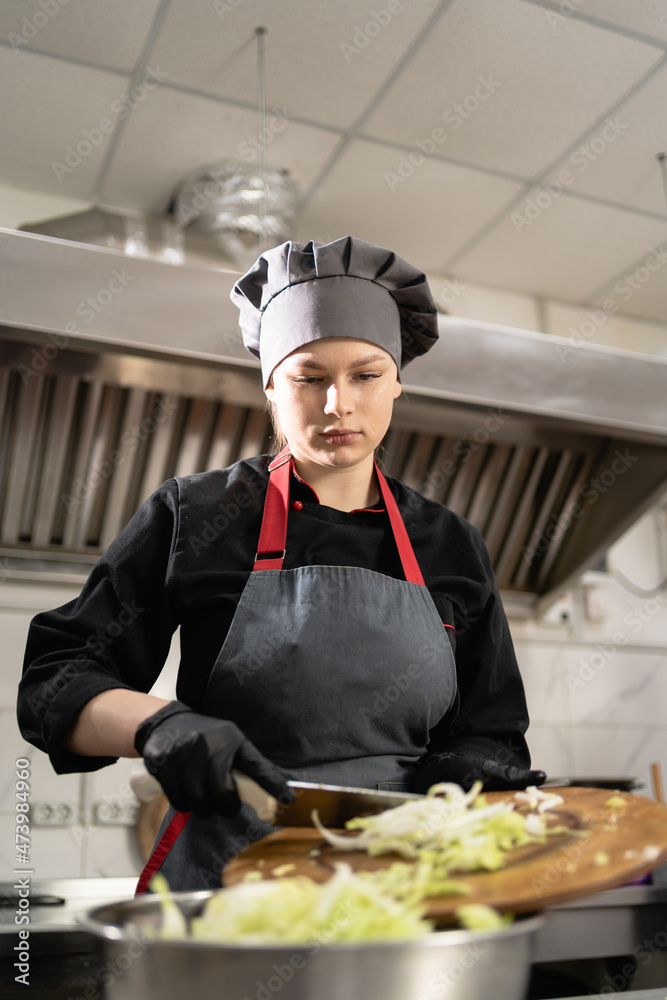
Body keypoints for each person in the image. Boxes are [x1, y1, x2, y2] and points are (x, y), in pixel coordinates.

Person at [17, 235, 544, 892]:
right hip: (235, 874)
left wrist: (470, 766)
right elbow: (55, 680)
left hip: (410, 877)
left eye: (365, 375)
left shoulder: (448, 542)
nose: (338, 405)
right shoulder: (196, 514)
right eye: (308, 377)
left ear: (396, 385)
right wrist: (159, 724)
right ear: (270, 385)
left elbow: (493, 731)